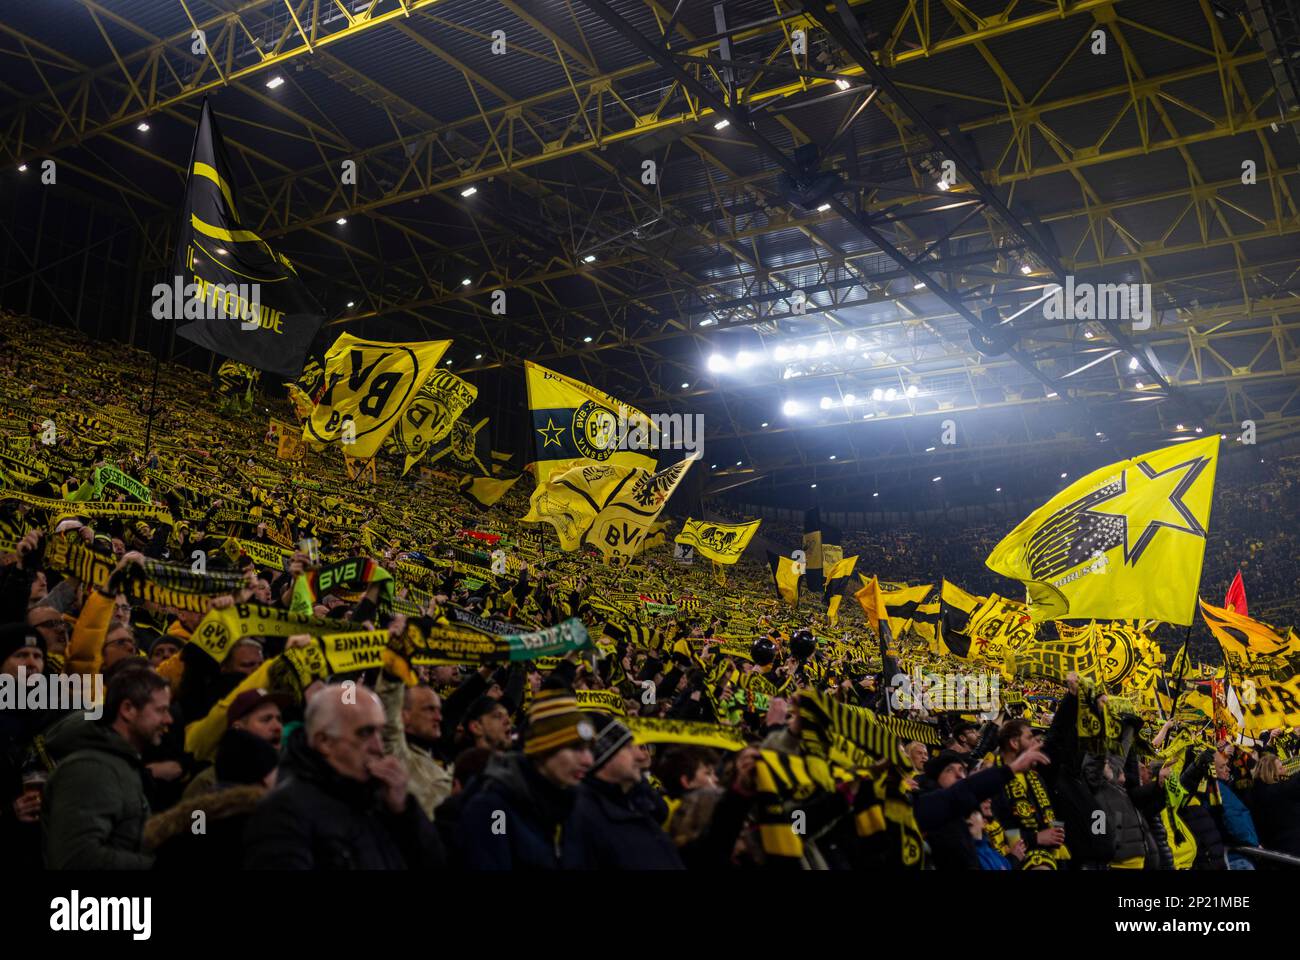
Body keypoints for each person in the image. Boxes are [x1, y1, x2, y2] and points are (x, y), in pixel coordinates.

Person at [242, 682, 444, 869]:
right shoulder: (283, 812)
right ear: (324, 742)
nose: (379, 747)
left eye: (380, 733)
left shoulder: (380, 801)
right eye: (365, 733)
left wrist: (404, 812)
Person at [42, 665, 171, 869]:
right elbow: (76, 859)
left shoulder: (120, 763)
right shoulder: (91, 769)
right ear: (128, 710)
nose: (168, 720)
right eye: (160, 710)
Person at [457, 687, 595, 869]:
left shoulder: (577, 804)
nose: (588, 760)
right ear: (543, 750)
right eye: (576, 749)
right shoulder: (494, 809)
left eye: (589, 749)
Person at [563, 717, 684, 869]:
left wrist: (640, 785)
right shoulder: (582, 813)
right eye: (628, 747)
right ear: (604, 755)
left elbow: (662, 813)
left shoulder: (632, 800)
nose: (641, 756)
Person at [376, 672, 453, 819]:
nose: (439, 717)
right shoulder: (397, 754)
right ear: (404, 716)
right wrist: (393, 672)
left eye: (438, 710)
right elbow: (388, 711)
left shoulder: (443, 755)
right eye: (429, 709)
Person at [1249, 752, 1300, 857]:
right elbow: (1294, 784)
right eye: (1281, 768)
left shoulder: (1257, 792)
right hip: (1288, 849)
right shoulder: (1275, 792)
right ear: (1270, 773)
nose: (1285, 770)